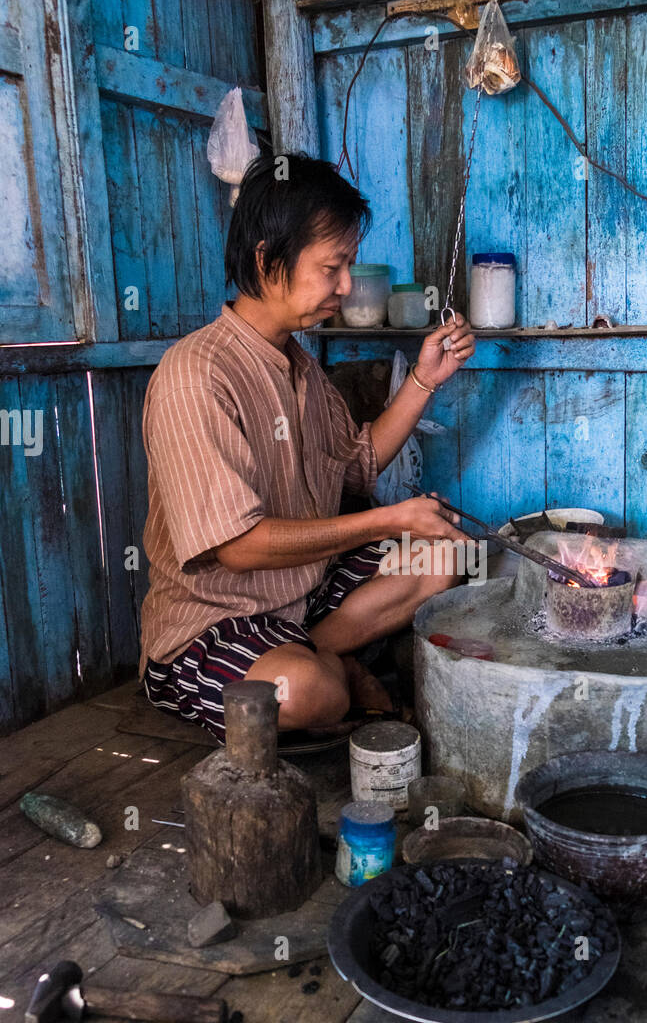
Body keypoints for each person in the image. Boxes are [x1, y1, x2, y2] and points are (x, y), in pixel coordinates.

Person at [138, 152, 476, 743]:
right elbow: (238, 548)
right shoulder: (196, 374)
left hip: (304, 597)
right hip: (213, 620)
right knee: (306, 693)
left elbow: (359, 465)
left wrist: (424, 379)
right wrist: (389, 521)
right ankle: (324, 668)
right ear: (269, 261)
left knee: (447, 557)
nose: (345, 287)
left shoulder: (302, 370)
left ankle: (318, 649)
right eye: (332, 267)